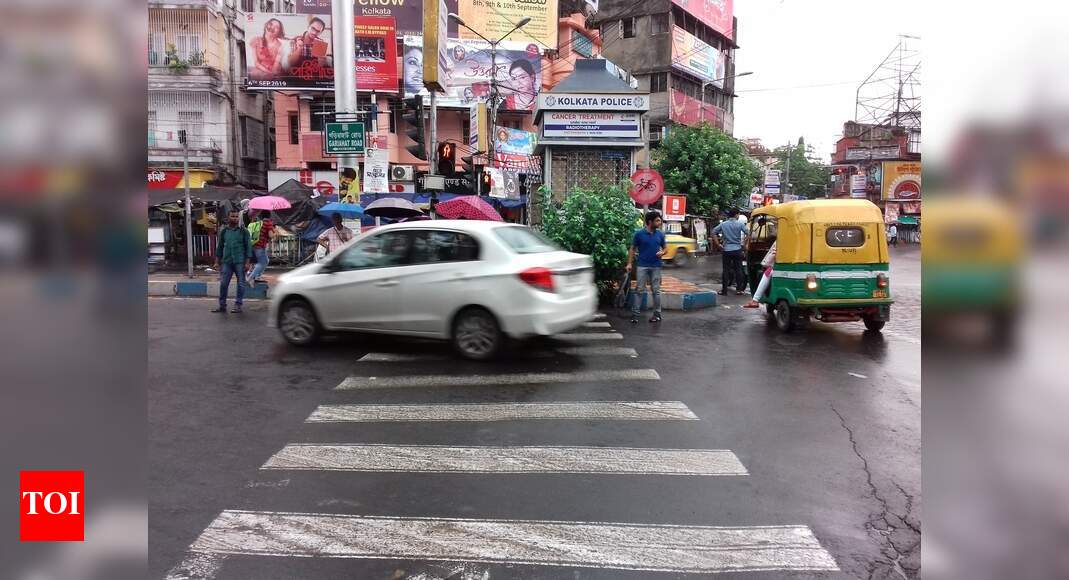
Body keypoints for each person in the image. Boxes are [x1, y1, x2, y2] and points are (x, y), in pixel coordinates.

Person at [626, 211, 667, 324]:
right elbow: (632, 249)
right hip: (642, 266)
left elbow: (665, 248)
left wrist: (662, 252)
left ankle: (657, 314)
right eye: (657, 220)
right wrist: (629, 263)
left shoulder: (660, 234)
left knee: (656, 291)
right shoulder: (639, 234)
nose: (659, 222)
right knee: (639, 290)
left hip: (656, 266)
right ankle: (635, 314)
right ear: (650, 222)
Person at [211, 210, 252, 314]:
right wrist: (216, 261)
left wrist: (247, 262)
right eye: (232, 216)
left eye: (236, 216)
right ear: (228, 218)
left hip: (240, 261)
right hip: (226, 261)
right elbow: (219, 247)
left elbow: (248, 248)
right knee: (224, 284)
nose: (235, 218)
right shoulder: (224, 231)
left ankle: (238, 305)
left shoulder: (244, 231)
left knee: (241, 284)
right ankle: (222, 306)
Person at [712, 208, 748, 296]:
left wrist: (718, 244)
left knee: (726, 270)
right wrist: (744, 245)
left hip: (726, 250)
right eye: (738, 214)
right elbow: (748, 233)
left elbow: (713, 232)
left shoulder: (723, 224)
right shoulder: (740, 224)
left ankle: (724, 291)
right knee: (738, 269)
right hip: (737, 249)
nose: (738, 216)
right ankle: (739, 290)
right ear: (736, 215)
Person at [744, 241, 777, 309]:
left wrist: (765, 264)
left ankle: (755, 300)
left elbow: (774, 253)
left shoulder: (782, 238)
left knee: (767, 273)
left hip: (777, 266)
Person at [246, 210, 274, 285]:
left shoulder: (259, 222)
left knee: (266, 261)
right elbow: (271, 235)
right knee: (261, 263)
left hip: (254, 244)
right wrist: (275, 233)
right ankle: (250, 278)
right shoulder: (268, 223)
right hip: (260, 246)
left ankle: (257, 276)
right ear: (269, 215)